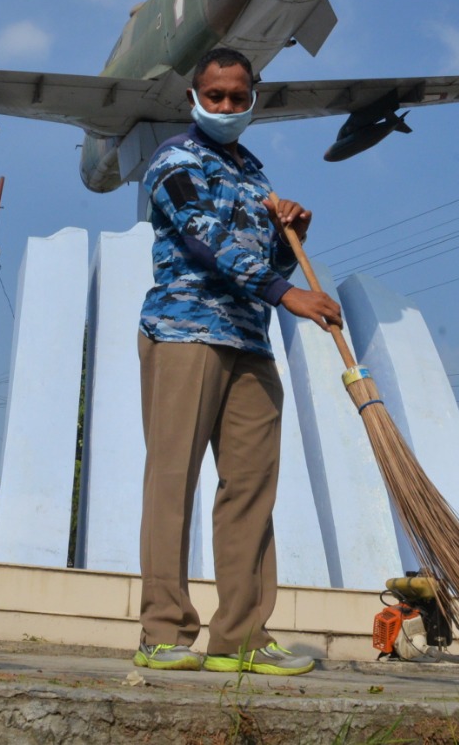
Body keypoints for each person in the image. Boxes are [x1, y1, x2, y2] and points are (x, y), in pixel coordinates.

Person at [133, 48, 343, 677]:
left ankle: (243, 636)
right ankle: (162, 630)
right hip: (184, 332)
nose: (226, 106)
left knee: (251, 489)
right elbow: (205, 241)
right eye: (214, 95)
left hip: (249, 341)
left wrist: (291, 237)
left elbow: (260, 258)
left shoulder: (253, 172)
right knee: (173, 481)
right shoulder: (173, 161)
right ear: (194, 98)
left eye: (237, 96)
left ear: (254, 98)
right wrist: (289, 294)